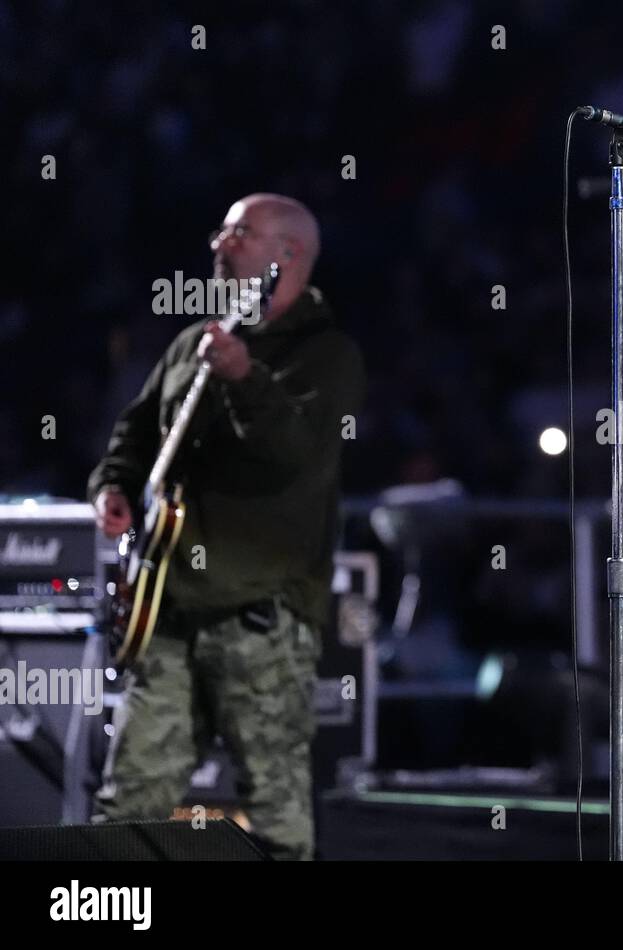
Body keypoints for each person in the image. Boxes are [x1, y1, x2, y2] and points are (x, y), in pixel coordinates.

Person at [89, 194, 366, 860]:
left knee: (276, 812)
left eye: (240, 232)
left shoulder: (326, 353)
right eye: (221, 229)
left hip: (259, 617)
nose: (220, 242)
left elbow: (293, 454)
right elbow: (132, 436)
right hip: (168, 609)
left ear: (287, 254)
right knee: (127, 803)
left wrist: (246, 379)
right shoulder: (193, 342)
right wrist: (112, 490)